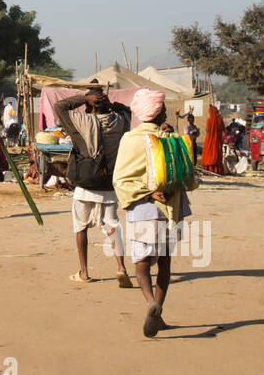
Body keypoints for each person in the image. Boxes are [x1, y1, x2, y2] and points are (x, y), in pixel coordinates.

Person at [113, 88, 198, 338]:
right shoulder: (169, 137)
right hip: (170, 207)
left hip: (142, 208)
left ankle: (150, 301)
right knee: (164, 262)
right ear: (160, 111)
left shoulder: (130, 139)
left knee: (141, 263)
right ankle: (158, 313)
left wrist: (148, 193)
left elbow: (121, 179)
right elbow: (186, 171)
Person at [54, 87, 132, 287]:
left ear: (88, 106)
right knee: (113, 225)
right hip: (109, 184)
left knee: (80, 228)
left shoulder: (81, 122)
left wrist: (83, 98)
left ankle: (84, 271)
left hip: (85, 184)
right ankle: (121, 267)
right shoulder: (119, 122)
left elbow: (60, 107)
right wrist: (109, 103)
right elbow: (127, 110)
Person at [201, 103, 225, 175]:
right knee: (217, 154)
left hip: (209, 140)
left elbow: (207, 130)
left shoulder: (209, 120)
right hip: (217, 140)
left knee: (208, 153)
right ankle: (216, 170)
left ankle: (208, 170)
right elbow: (223, 130)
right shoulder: (220, 119)